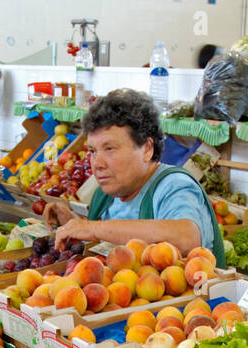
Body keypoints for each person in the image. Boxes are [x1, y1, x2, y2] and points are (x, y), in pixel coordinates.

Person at [42, 89, 225, 263]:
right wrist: (74, 224)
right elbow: (109, 239)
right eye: (92, 151)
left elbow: (187, 237)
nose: (97, 163)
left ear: (147, 149)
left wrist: (92, 228)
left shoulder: (174, 186)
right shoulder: (106, 194)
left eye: (110, 148)